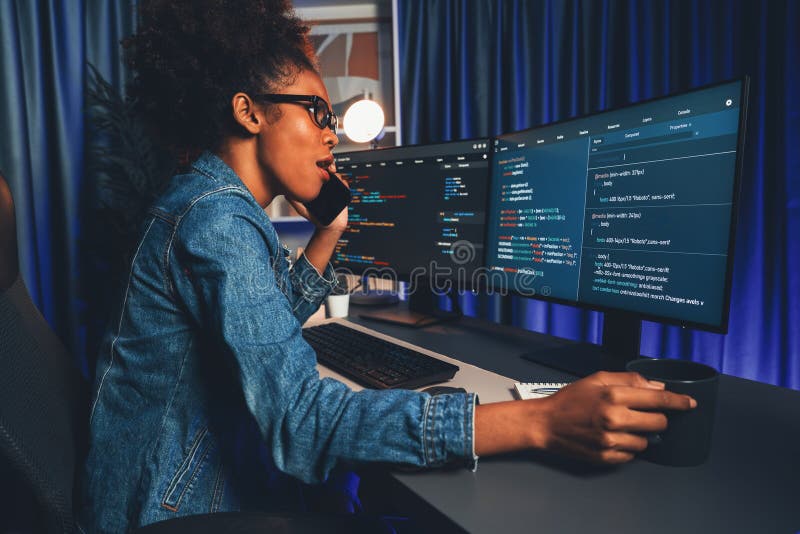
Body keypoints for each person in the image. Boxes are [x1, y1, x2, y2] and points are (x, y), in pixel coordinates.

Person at [79, 1, 696, 531]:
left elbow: (259, 328)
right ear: (250, 112)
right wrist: (540, 420)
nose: (332, 135)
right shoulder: (215, 219)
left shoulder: (210, 204)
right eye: (318, 112)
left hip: (173, 491)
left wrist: (329, 230)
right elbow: (302, 422)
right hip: (170, 512)